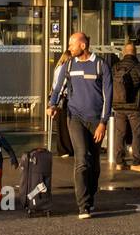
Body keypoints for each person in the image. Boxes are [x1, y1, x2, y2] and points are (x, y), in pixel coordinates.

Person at [48, 32, 113, 219]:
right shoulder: (68, 65)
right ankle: (83, 205)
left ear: (83, 45)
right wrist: (52, 105)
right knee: (82, 158)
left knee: (94, 165)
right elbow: (58, 88)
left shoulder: (101, 65)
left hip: (95, 121)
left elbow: (108, 97)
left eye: (72, 44)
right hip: (74, 117)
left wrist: (103, 123)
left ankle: (90, 195)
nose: (69, 48)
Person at [112, 41, 140, 171]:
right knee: (137, 133)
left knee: (120, 133)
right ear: (135, 53)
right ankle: (136, 162)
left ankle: (119, 162)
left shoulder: (116, 67)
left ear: (124, 53)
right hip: (135, 107)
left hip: (118, 106)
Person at [49, 50, 74, 158]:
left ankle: (65, 149)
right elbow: (59, 86)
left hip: (61, 98)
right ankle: (64, 149)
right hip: (63, 99)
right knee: (63, 125)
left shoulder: (58, 68)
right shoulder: (63, 68)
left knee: (63, 124)